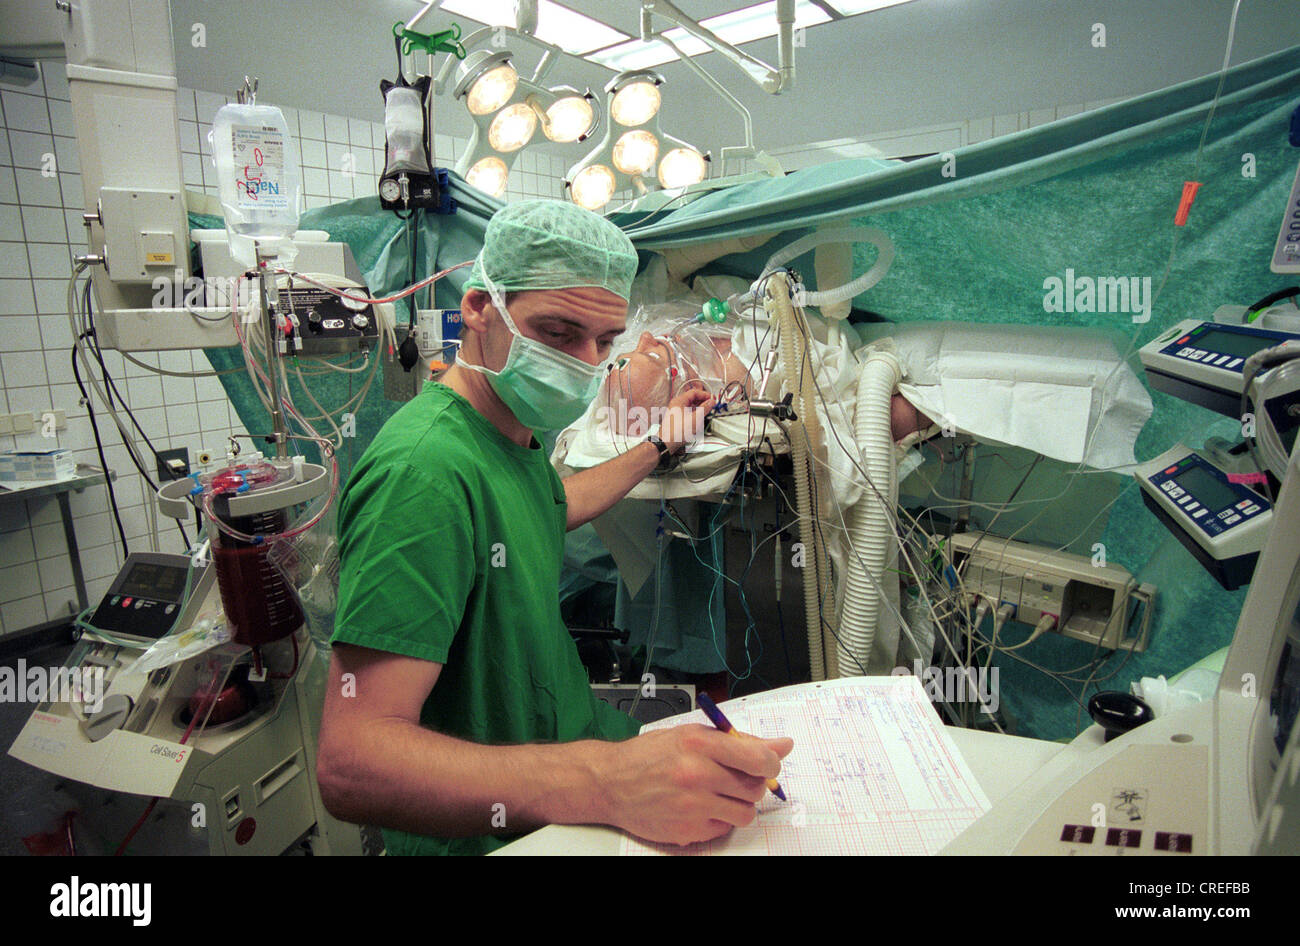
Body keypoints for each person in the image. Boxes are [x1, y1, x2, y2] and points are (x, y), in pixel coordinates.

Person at [316, 200, 793, 855]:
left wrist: (659, 443)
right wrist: (606, 781)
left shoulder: (508, 436)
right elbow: (352, 766)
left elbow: (549, 506)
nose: (583, 363)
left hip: (566, 774)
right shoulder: (423, 472)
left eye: (604, 341)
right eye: (558, 332)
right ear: (480, 310)